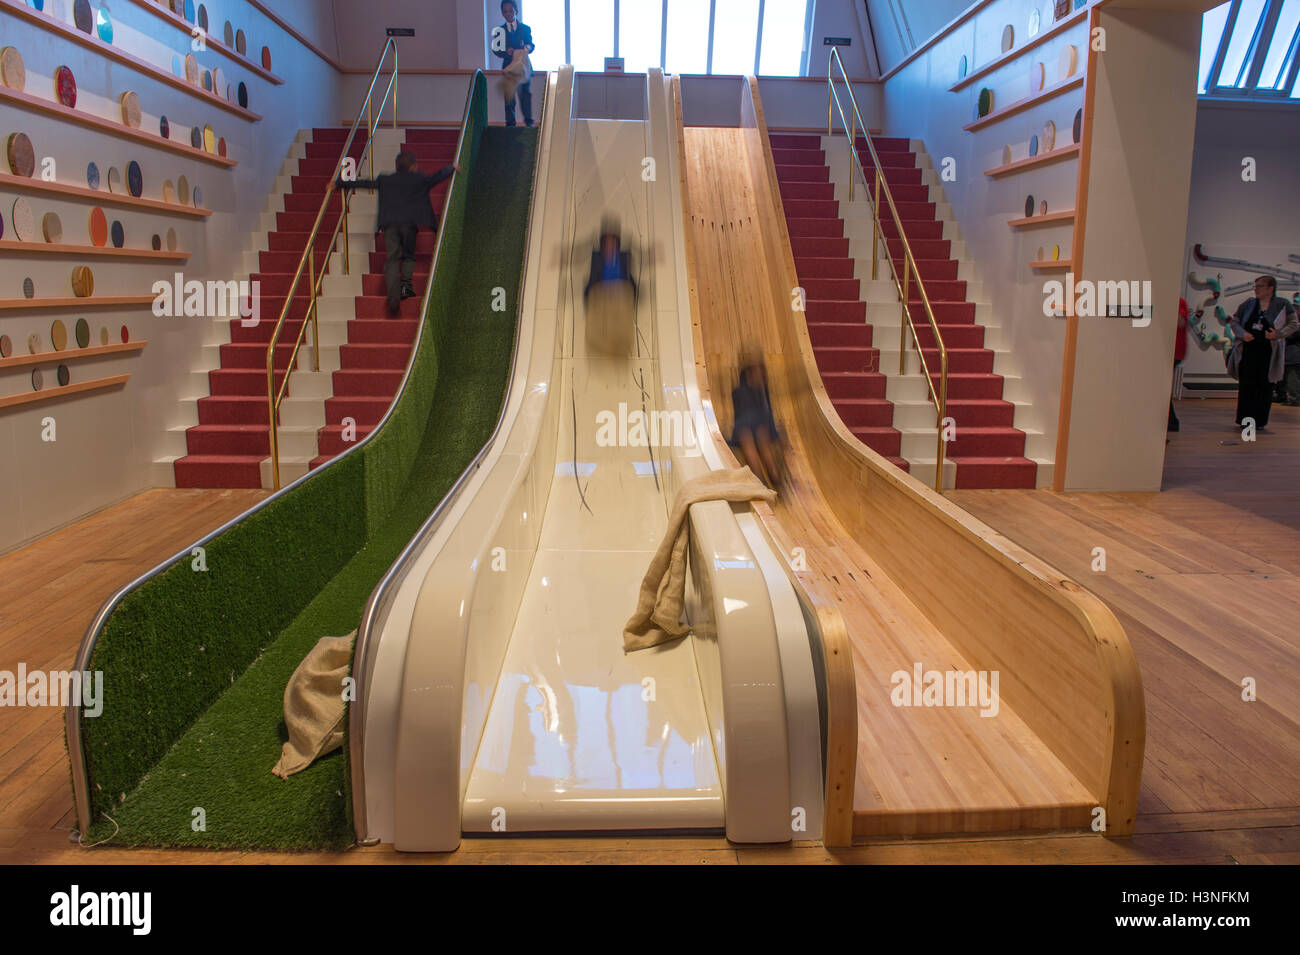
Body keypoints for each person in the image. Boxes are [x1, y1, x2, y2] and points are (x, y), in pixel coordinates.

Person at [336, 152, 459, 316]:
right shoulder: (419, 178)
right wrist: (451, 168)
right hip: (409, 224)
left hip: (390, 225)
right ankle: (405, 286)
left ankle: (393, 298)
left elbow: (365, 183)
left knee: (392, 259)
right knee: (408, 256)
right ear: (413, 166)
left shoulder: (386, 180)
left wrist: (339, 184)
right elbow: (435, 178)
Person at [1227, 275, 1300, 431]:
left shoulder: (1283, 304)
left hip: (1269, 353)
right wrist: (1242, 334)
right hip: (1249, 351)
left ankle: (1259, 421)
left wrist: (1278, 334)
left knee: (1265, 386)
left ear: (1270, 288)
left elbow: (1293, 324)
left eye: (1260, 286)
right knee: (1247, 386)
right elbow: (1235, 321)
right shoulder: (1248, 304)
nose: (1256, 289)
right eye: (1255, 286)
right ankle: (1245, 420)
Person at [730, 358, 785, 491]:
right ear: (749, 375)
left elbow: (766, 414)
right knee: (749, 437)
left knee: (759, 438)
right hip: (747, 425)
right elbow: (741, 416)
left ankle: (770, 476)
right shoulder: (740, 392)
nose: (761, 378)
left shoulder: (761, 392)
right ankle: (763, 478)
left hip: (757, 424)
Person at [494, 1, 535, 128]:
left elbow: (531, 45)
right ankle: (510, 125)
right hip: (509, 67)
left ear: (516, 11)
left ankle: (529, 123)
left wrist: (528, 47)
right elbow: (496, 50)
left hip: (523, 66)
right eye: (505, 11)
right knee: (509, 97)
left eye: (510, 11)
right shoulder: (499, 31)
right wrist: (507, 52)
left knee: (525, 95)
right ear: (502, 13)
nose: (508, 14)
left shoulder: (525, 28)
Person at [1168, 297, 1189, 433]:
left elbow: (1181, 322)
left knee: (1160, 388)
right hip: (1170, 350)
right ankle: (1171, 422)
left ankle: (1171, 422)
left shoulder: (1176, 300)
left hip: (1173, 351)